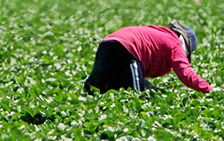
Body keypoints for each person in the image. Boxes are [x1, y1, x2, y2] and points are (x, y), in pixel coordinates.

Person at [84, 21, 212, 94]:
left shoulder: (160, 34)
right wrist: (208, 89)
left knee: (97, 89)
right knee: (134, 98)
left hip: (107, 45)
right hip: (126, 50)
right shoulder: (175, 43)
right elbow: (185, 73)